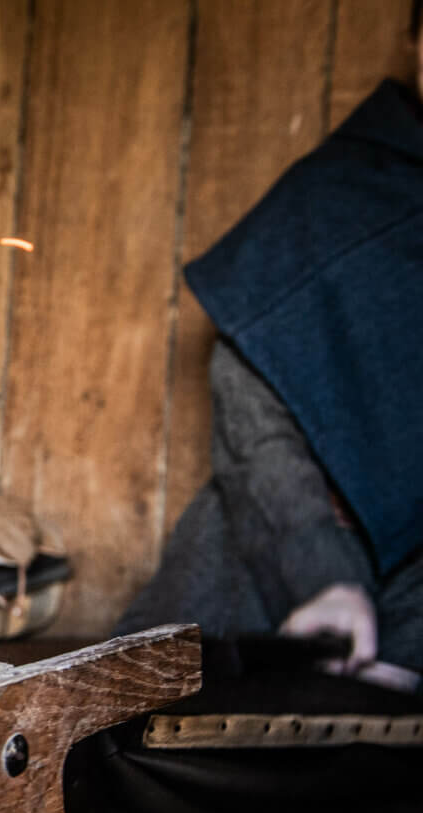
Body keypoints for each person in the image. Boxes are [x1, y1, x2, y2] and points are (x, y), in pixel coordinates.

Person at [118, 2, 423, 688]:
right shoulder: (343, 194)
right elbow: (250, 387)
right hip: (281, 566)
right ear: (414, 38)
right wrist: (324, 573)